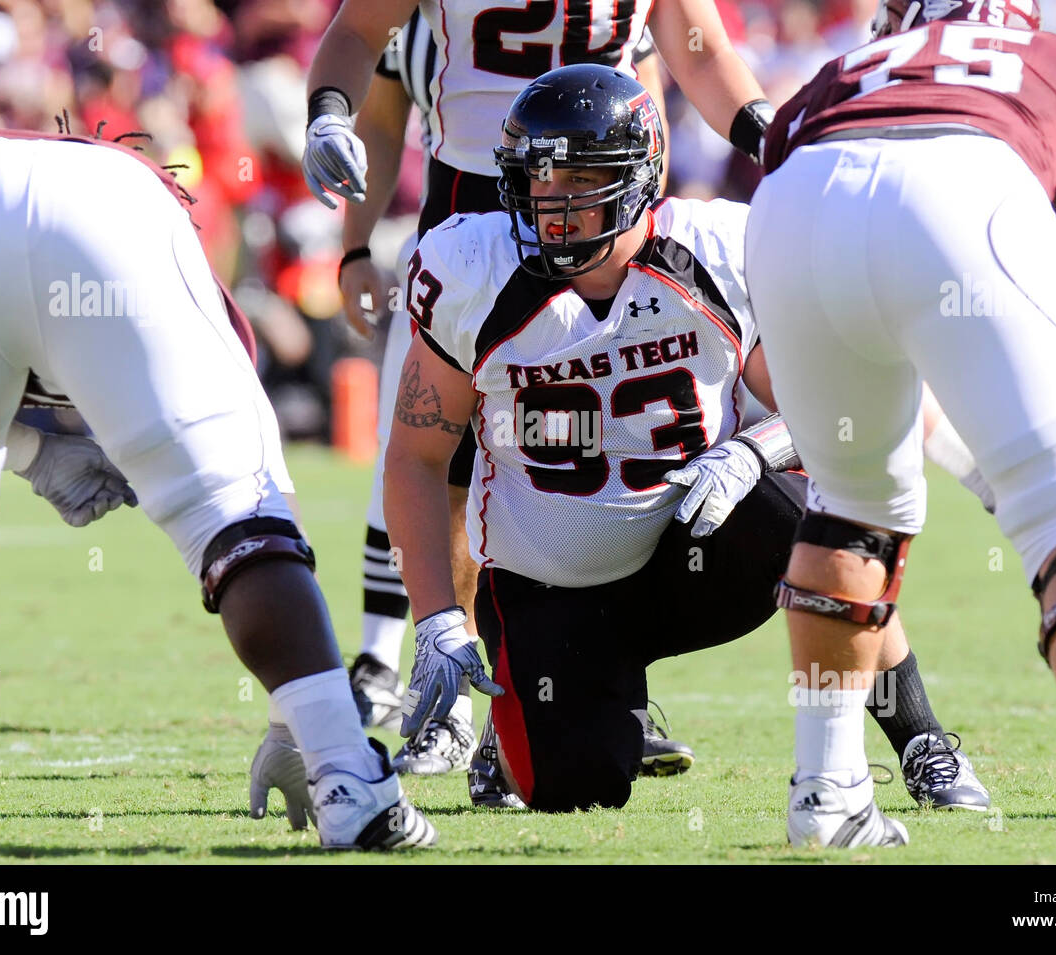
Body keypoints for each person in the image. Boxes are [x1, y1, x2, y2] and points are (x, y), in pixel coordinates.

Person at [383, 64, 987, 813]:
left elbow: (837, 412)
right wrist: (438, 619)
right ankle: (551, 723)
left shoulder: (717, 251)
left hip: (695, 542)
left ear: (639, 179)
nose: (552, 204)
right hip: (551, 581)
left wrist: (754, 451)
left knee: (826, 510)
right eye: (538, 178)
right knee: (573, 787)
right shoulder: (474, 272)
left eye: (579, 180)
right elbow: (415, 457)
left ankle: (921, 739)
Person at [0, 126, 435, 851]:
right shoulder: (143, 243)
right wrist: (298, 725)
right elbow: (260, 511)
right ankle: (347, 776)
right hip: (98, 211)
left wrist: (29, 451)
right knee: (231, 512)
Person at [744, 0, 1056, 852]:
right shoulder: (1043, 53)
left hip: (792, 204)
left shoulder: (842, 73)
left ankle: (828, 792)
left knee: (847, 506)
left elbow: (795, 318)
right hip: (961, 182)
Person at [304, 0, 782, 782]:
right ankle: (452, 686)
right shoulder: (462, 255)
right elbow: (360, 39)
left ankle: (593, 674)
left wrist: (773, 138)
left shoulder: (708, 240)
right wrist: (331, 126)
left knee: (621, 443)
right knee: (455, 461)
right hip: (481, 194)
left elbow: (697, 55)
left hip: (610, 186)